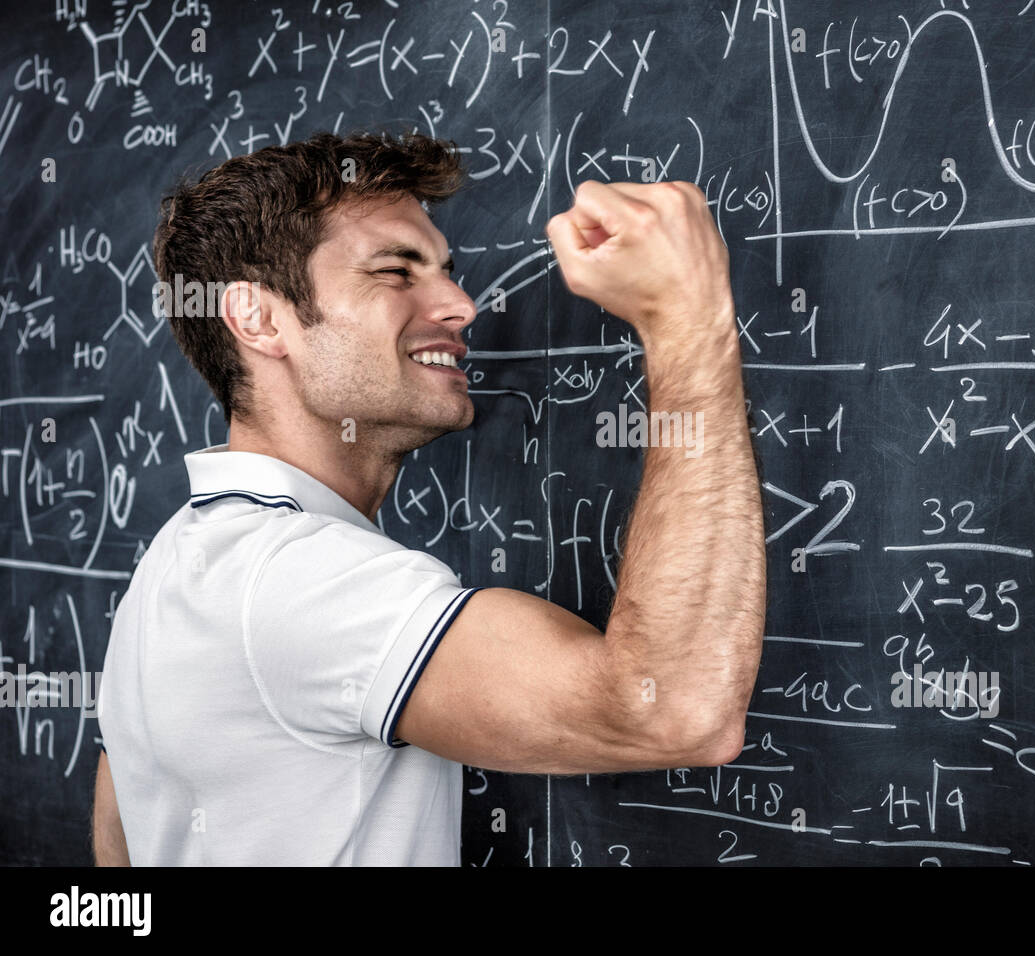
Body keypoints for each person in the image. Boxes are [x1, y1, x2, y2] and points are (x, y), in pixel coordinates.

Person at [92, 131, 766, 866]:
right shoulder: (296, 577)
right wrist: (687, 322)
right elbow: (672, 711)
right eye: (396, 272)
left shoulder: (176, 562)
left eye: (446, 271)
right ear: (259, 319)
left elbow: (120, 822)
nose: (460, 305)